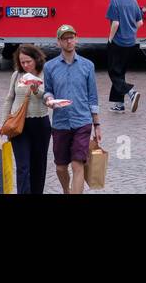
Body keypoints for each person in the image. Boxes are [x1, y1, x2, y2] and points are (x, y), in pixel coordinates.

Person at [42, 24, 100, 195]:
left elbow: (92, 97)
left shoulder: (87, 65)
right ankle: (66, 190)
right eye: (65, 38)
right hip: (60, 122)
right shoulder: (50, 67)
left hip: (82, 121)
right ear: (58, 42)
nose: (69, 41)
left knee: (77, 164)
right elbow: (48, 90)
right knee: (60, 167)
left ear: (76, 39)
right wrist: (49, 99)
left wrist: (97, 124)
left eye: (71, 37)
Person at [1, 44, 51, 195]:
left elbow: (48, 98)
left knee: (38, 165)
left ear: (36, 59)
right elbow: (9, 98)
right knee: (23, 166)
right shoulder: (16, 75)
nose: (25, 65)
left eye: (28, 61)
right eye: (22, 62)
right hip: (19, 125)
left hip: (40, 123)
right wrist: (4, 122)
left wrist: (37, 90)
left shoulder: (45, 74)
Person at [105, 0, 144, 113]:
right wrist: (131, 31)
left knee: (113, 73)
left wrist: (110, 38)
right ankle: (119, 105)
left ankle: (131, 92)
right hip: (131, 42)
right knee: (120, 72)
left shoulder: (115, 0)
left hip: (118, 42)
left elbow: (115, 23)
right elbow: (140, 23)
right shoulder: (133, 0)